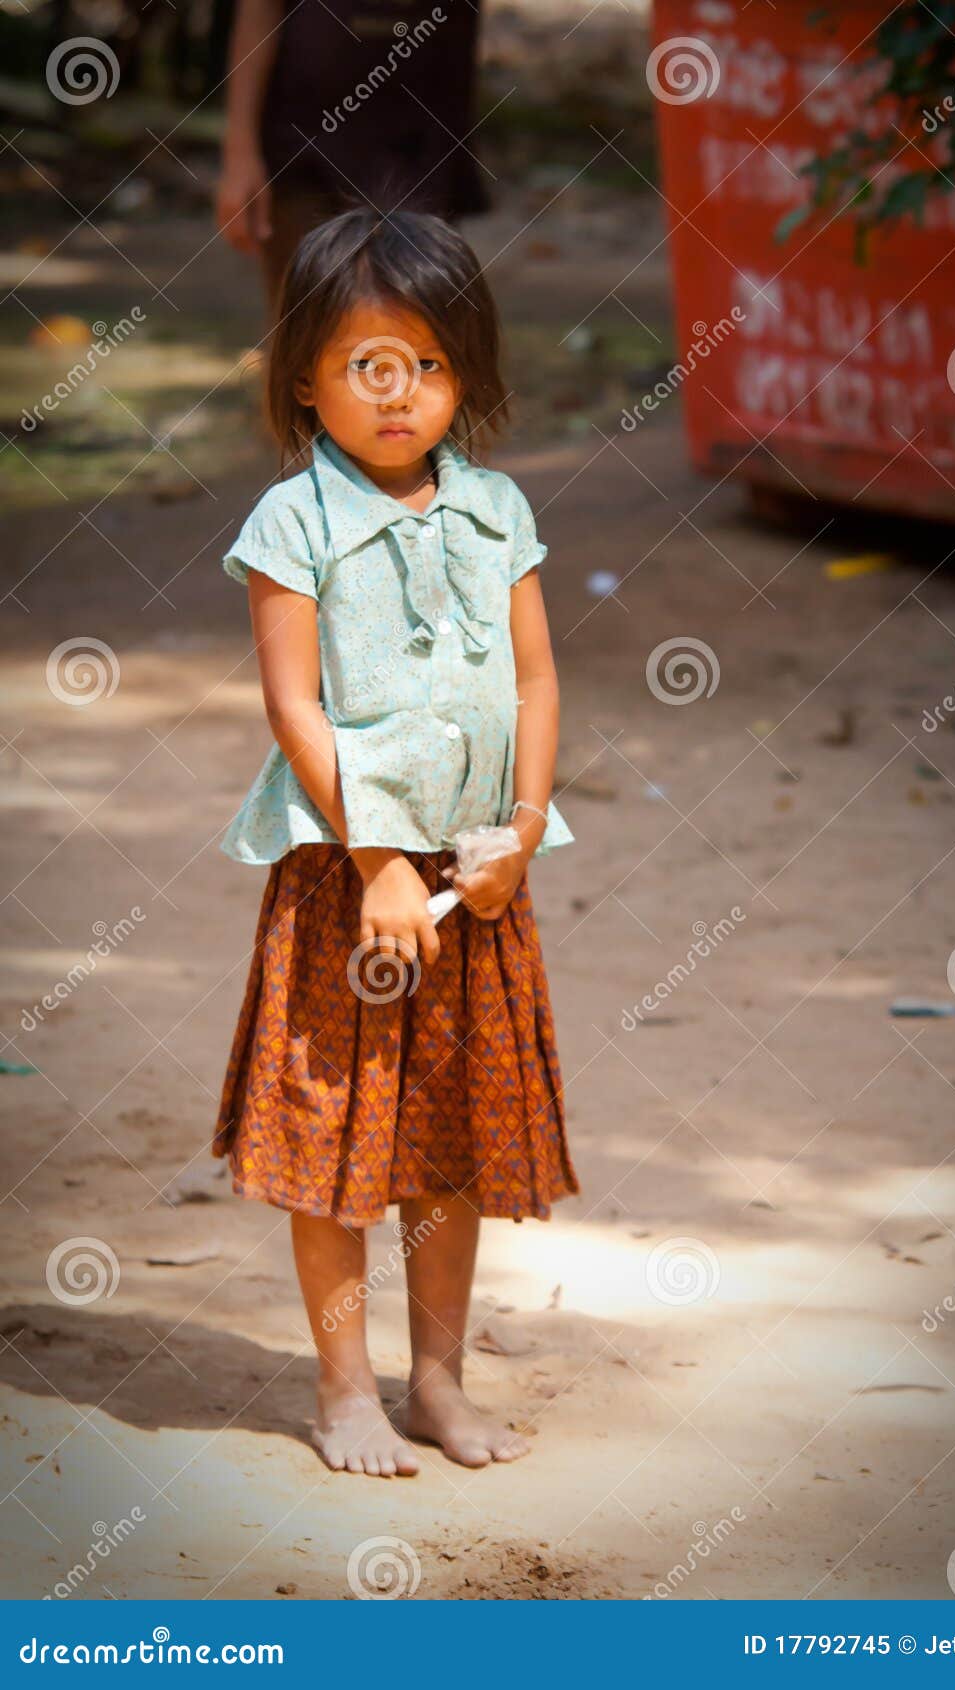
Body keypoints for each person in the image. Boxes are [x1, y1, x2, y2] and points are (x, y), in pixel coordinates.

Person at [211, 207, 580, 1478]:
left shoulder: (499, 510)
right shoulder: (289, 526)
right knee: (335, 1152)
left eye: (428, 363)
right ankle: (341, 1391)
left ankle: (433, 1379)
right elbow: (292, 705)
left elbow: (536, 684)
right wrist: (374, 856)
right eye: (368, 365)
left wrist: (520, 833)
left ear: (465, 373)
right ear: (304, 375)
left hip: (476, 883)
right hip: (341, 883)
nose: (399, 394)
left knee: (451, 1146)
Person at [215, 0, 488, 311]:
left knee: (410, 322)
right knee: (305, 328)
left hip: (423, 149)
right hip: (303, 146)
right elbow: (259, 8)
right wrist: (240, 152)